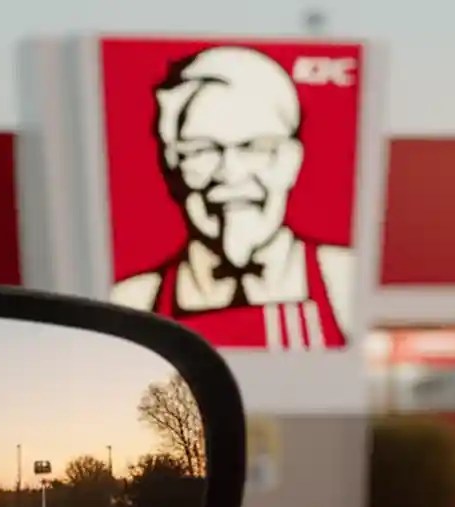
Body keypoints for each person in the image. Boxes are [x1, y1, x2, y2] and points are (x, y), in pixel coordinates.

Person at [110, 46, 354, 350]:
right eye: (201, 150)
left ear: (292, 161)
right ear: (172, 167)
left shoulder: (346, 280)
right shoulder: (130, 302)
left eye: (256, 147)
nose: (231, 173)